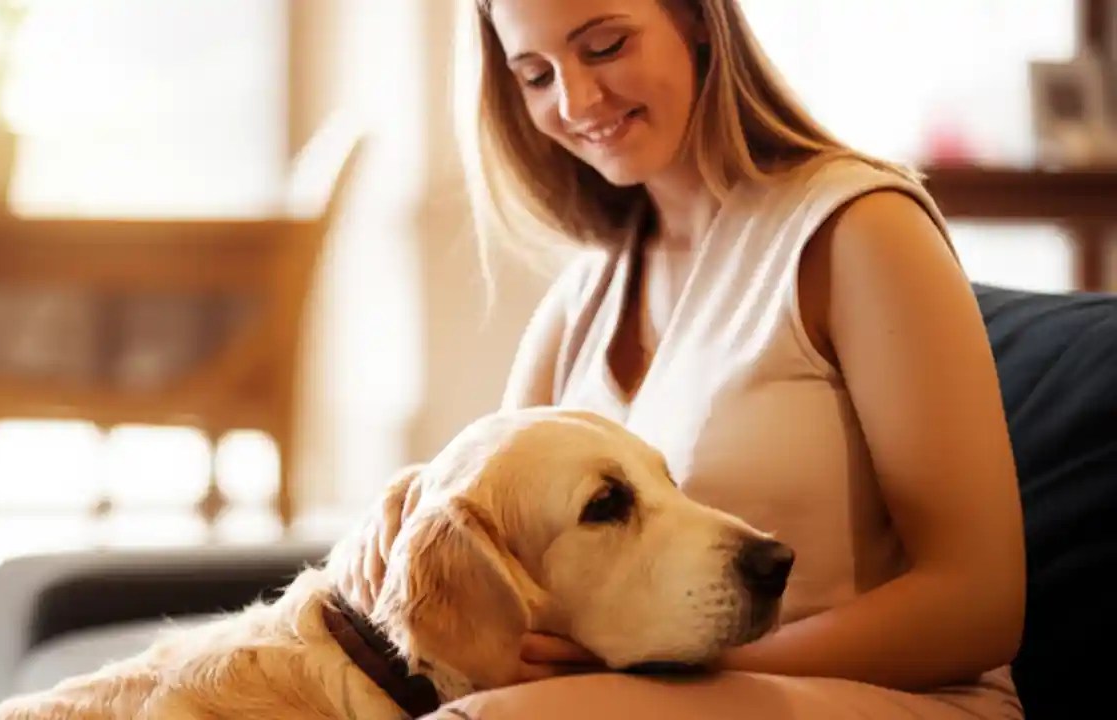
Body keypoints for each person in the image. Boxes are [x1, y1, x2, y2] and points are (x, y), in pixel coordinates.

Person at [426, 0, 1027, 717]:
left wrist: (663, 682)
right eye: (534, 75)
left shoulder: (861, 231)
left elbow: (980, 603)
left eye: (606, 46)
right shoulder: (578, 301)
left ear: (698, 19)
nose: (576, 99)